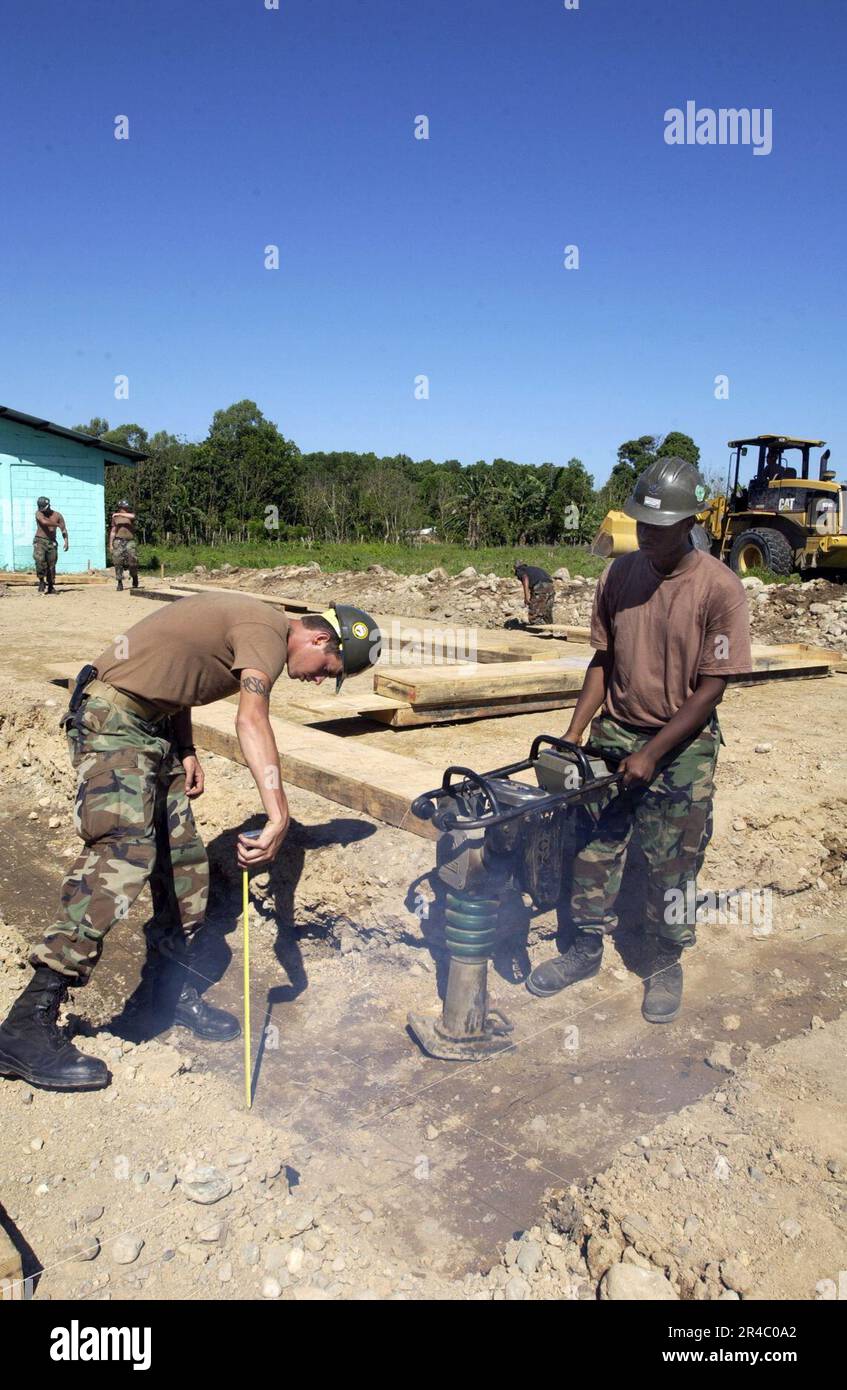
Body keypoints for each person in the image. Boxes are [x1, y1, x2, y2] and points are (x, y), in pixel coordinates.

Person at [0, 593, 380, 1091]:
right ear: (320, 638)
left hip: (151, 729)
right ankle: (26, 1022)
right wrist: (279, 813)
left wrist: (184, 748)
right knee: (124, 852)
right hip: (113, 722)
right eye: (328, 669)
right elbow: (251, 719)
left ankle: (165, 992)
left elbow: (177, 677)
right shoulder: (265, 631)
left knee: (185, 867)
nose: (318, 679)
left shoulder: (255, 631)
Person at [527, 457, 752, 1024]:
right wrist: (575, 735)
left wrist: (652, 753)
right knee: (593, 847)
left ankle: (663, 959)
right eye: (642, 524)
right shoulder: (619, 575)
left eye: (659, 526)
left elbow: (712, 689)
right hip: (614, 732)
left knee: (670, 862)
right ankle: (583, 949)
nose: (646, 534)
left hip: (682, 743)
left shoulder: (719, 588)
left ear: (689, 523)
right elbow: (603, 659)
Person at [33, 496, 68, 595]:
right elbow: (44, 522)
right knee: (39, 561)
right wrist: (57, 525)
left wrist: (66, 541)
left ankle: (51, 586)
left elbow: (64, 529)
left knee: (51, 565)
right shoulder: (38, 513)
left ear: (48, 506)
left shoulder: (58, 515)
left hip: (51, 542)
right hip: (39, 540)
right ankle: (41, 581)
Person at [109, 498, 140, 591]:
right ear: (120, 507)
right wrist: (110, 544)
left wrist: (119, 514)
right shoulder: (115, 518)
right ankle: (119, 582)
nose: (126, 508)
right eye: (124, 507)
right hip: (118, 541)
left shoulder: (129, 516)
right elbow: (113, 531)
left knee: (133, 560)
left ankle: (134, 576)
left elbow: (133, 516)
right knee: (117, 561)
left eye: (127, 507)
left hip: (130, 541)